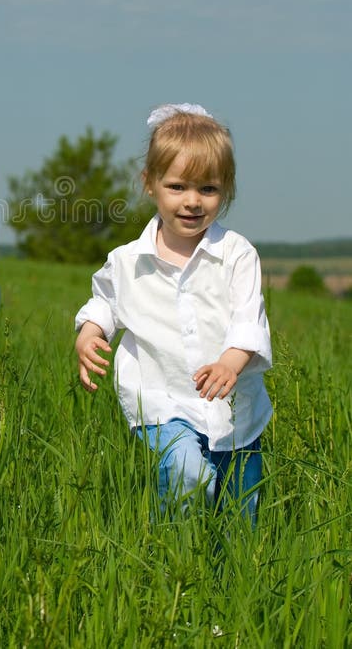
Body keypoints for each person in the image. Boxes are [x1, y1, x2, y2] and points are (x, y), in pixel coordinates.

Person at [75, 104, 272, 523]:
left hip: (233, 412)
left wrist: (230, 361)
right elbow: (104, 303)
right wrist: (89, 334)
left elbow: (248, 320)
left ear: (226, 188)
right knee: (187, 473)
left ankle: (229, 563)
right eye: (178, 186)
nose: (192, 201)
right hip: (162, 402)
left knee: (241, 515)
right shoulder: (128, 260)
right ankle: (175, 550)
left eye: (208, 188)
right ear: (150, 183)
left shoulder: (237, 255)